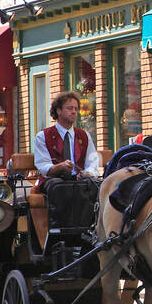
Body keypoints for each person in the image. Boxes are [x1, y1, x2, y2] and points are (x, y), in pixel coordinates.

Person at [30, 91, 101, 245]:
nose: (74, 112)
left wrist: (89, 172)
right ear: (58, 111)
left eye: (76, 108)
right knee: (60, 186)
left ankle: (89, 229)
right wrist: (59, 167)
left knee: (94, 186)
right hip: (54, 179)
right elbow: (43, 165)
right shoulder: (43, 136)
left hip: (78, 179)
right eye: (69, 108)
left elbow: (92, 160)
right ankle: (61, 233)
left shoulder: (83, 135)